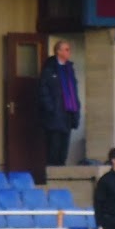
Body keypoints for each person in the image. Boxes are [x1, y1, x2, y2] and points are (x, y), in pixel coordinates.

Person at [37, 39, 79, 168]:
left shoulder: (69, 69)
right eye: (66, 49)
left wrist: (77, 111)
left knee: (64, 149)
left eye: (69, 49)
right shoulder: (49, 69)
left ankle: (61, 175)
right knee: (53, 147)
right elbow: (43, 91)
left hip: (68, 114)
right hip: (54, 115)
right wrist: (50, 108)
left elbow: (74, 91)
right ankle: (51, 176)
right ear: (58, 51)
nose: (69, 52)